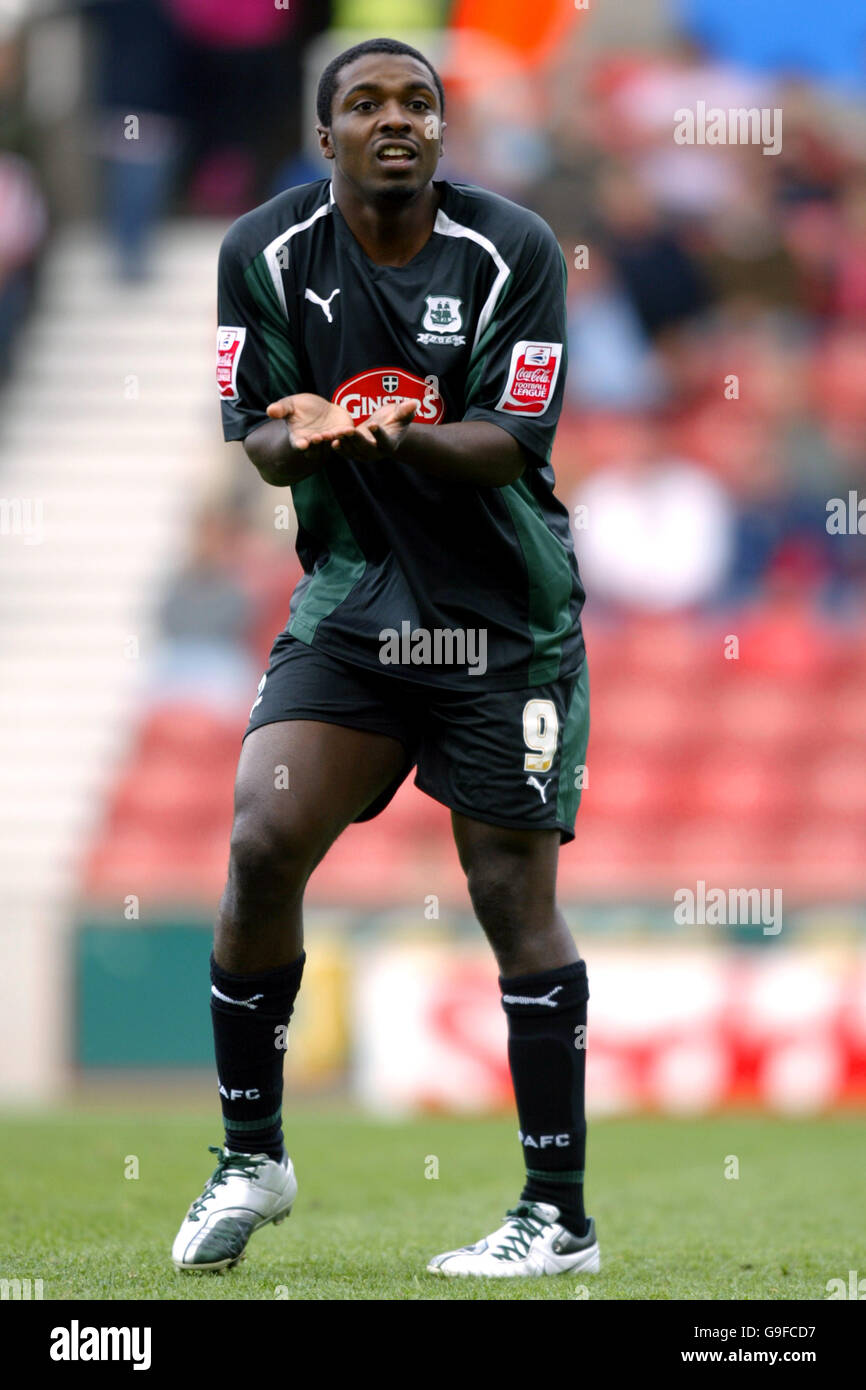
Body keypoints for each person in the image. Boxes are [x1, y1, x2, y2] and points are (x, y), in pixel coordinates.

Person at [171, 36, 598, 1280]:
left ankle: (556, 1216)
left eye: (419, 101)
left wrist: (382, 425)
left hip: (501, 620)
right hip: (354, 607)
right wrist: (300, 438)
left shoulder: (511, 247)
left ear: (442, 132)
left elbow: (510, 445)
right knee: (259, 838)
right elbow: (255, 435)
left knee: (511, 899)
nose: (396, 118)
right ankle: (251, 1151)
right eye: (366, 103)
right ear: (327, 138)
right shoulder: (259, 252)